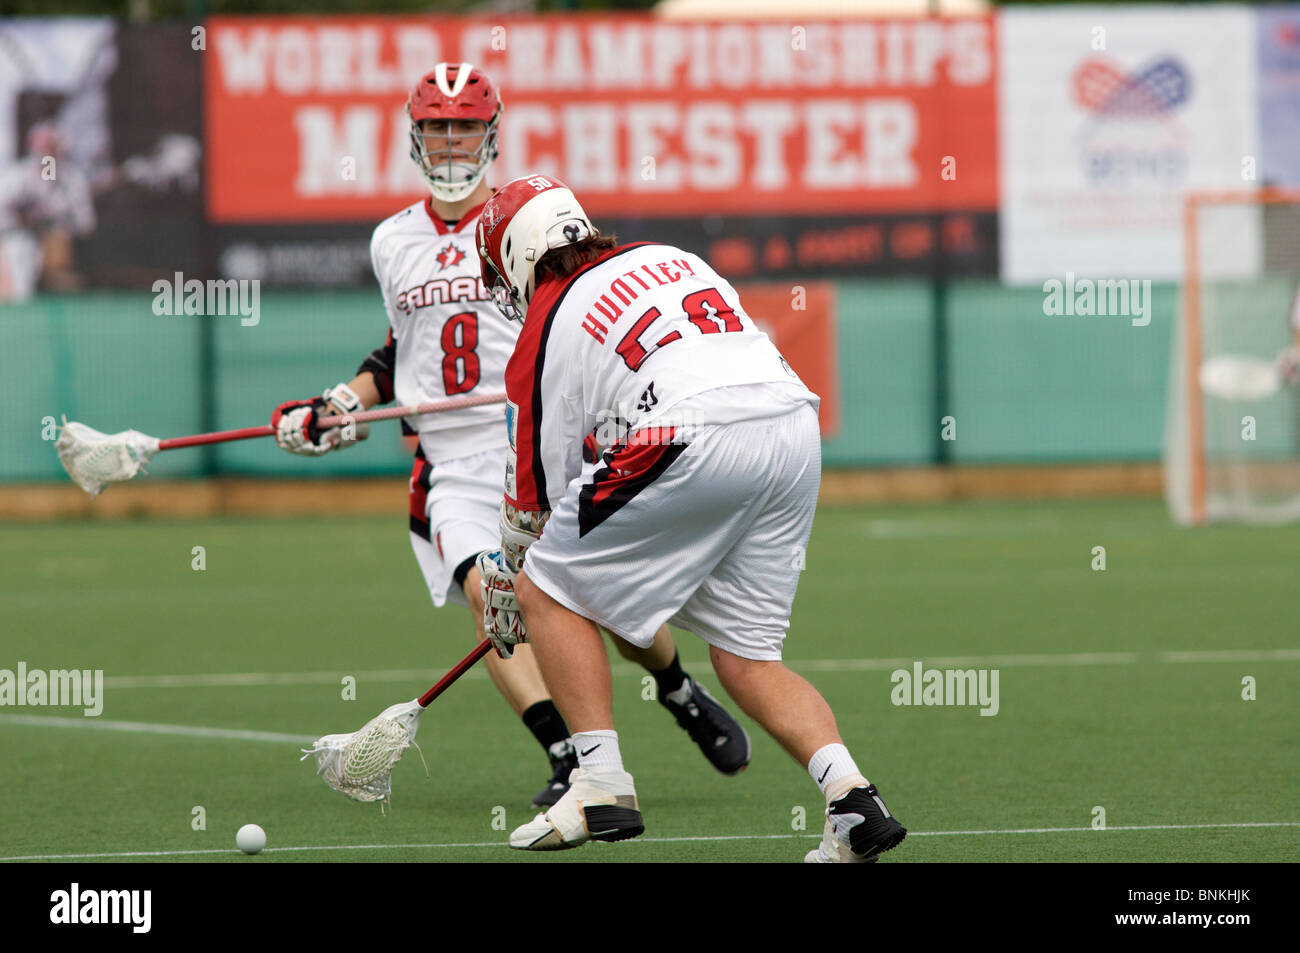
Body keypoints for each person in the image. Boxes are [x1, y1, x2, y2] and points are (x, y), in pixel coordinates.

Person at [271, 64, 749, 809]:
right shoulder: (392, 240)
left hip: (537, 436)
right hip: (452, 465)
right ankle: (566, 751)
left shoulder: (519, 222)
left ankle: (677, 687)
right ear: (415, 134)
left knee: (606, 600)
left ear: (490, 133)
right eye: (438, 126)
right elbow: (403, 349)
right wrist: (339, 403)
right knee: (491, 594)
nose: (451, 140)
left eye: (464, 125)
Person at [475, 173, 908, 862]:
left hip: (689, 431)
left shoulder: (547, 319)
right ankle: (852, 797)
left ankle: (601, 784)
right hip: (792, 427)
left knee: (547, 588)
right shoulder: (671, 256)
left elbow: (537, 502)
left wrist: (507, 575)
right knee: (747, 658)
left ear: (518, 254)